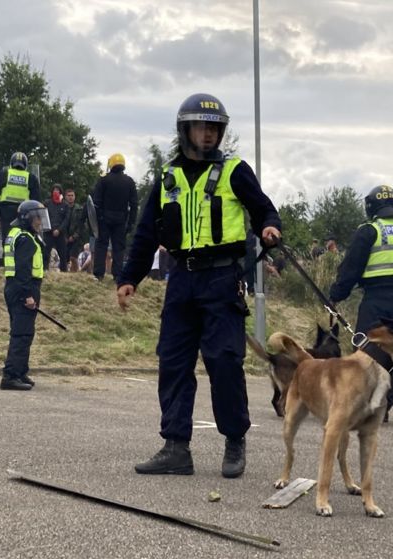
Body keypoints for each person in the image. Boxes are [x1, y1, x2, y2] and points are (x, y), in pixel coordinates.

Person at [116, 93, 282, 479]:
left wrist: (269, 226)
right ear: (185, 130)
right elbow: (144, 233)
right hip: (181, 278)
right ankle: (176, 447)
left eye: (214, 128)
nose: (207, 134)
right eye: (201, 127)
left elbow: (263, 208)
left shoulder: (235, 171)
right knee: (173, 362)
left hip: (222, 277)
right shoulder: (167, 177)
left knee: (224, 360)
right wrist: (129, 278)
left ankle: (234, 440)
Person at [329, 184, 393, 422]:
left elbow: (351, 269)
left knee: (368, 350)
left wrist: (336, 294)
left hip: (375, 298)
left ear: (370, 207)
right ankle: (384, 407)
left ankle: (362, 404)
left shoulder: (369, 230)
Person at [1, 199, 50, 391]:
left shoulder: (16, 234)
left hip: (15, 287)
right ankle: (11, 375)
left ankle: (20, 371)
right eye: (37, 218)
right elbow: (23, 269)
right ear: (27, 218)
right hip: (24, 287)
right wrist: (28, 295)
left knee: (24, 332)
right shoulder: (26, 239)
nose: (40, 222)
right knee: (22, 334)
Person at [92, 153, 138, 280]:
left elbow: (96, 202)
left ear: (111, 164)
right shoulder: (129, 182)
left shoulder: (103, 180)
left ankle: (98, 274)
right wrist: (131, 223)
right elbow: (134, 204)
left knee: (101, 245)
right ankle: (117, 275)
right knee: (119, 247)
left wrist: (98, 218)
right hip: (121, 220)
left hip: (104, 219)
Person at [0, 152, 39, 242]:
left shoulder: (4, 174)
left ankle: (8, 255)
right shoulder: (31, 177)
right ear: (25, 165)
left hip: (5, 212)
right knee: (23, 238)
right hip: (24, 213)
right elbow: (35, 200)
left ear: (11, 163)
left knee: (7, 239)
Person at [43, 183, 69, 271]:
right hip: (48, 232)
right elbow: (43, 216)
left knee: (63, 254)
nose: (56, 192)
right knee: (45, 252)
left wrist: (59, 229)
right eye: (54, 190)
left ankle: (64, 272)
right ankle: (44, 270)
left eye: (58, 190)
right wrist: (50, 229)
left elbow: (66, 219)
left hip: (60, 233)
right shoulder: (47, 203)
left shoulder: (65, 205)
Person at [61, 188, 82, 271]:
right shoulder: (62, 208)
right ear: (65, 197)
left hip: (76, 237)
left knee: (73, 257)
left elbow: (81, 225)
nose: (70, 197)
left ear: (75, 197)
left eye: (72, 195)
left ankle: (75, 274)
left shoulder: (79, 209)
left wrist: (74, 236)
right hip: (64, 236)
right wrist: (65, 236)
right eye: (68, 195)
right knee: (64, 257)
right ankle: (65, 274)